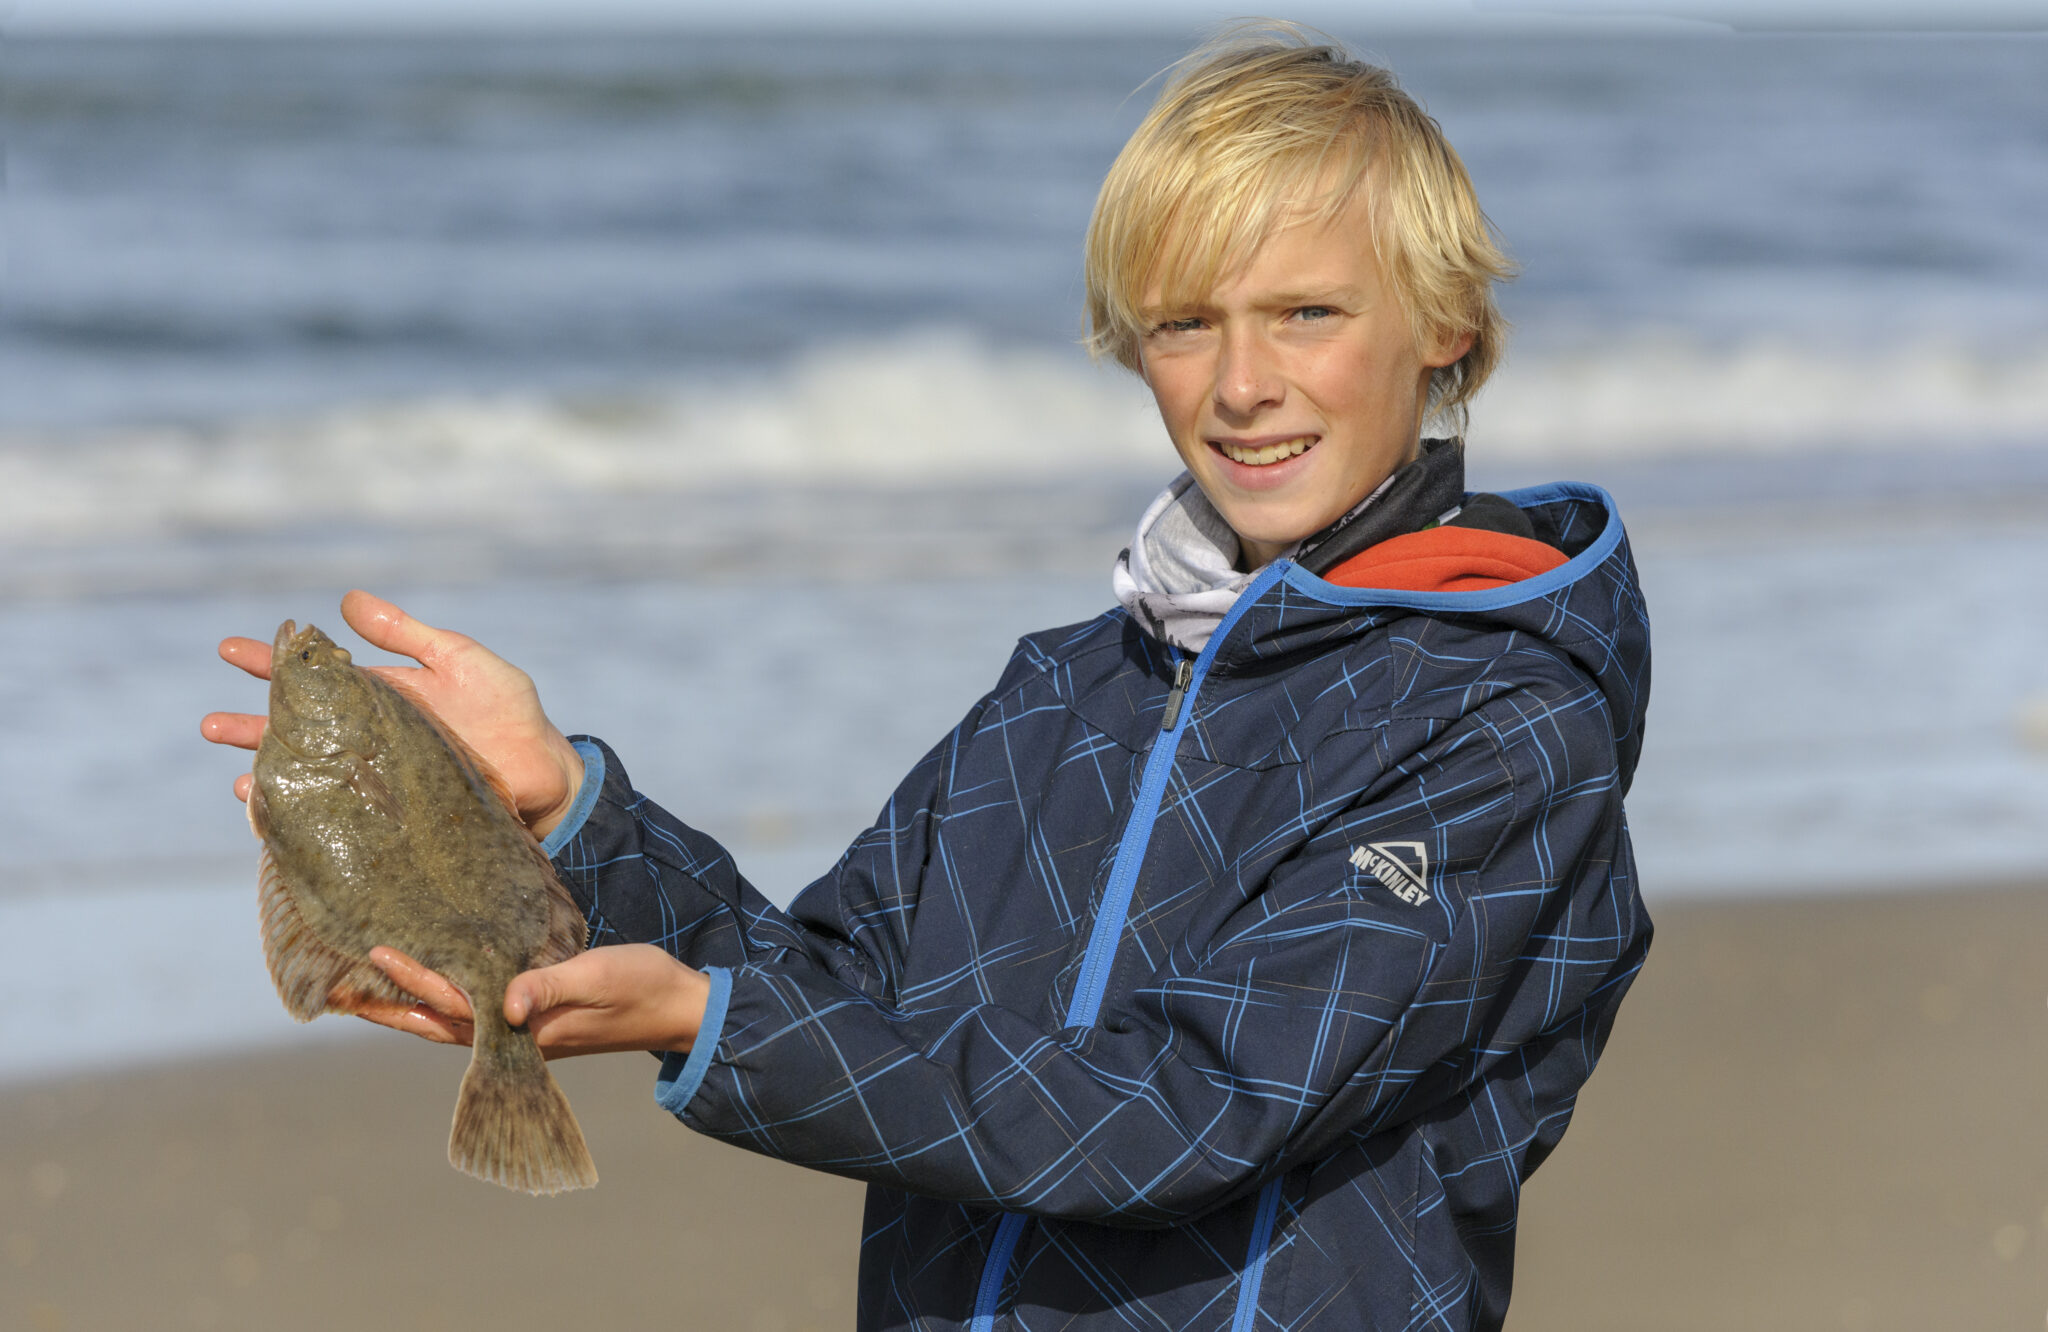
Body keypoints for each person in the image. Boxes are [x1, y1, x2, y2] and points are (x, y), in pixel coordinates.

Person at [204, 25, 1650, 1331]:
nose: (1242, 385)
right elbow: (830, 986)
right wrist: (576, 816)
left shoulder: (1505, 725)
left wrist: (713, 1031)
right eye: (1184, 321)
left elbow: (1189, 1111)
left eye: (1308, 315)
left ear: (1445, 325)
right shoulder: (1068, 692)